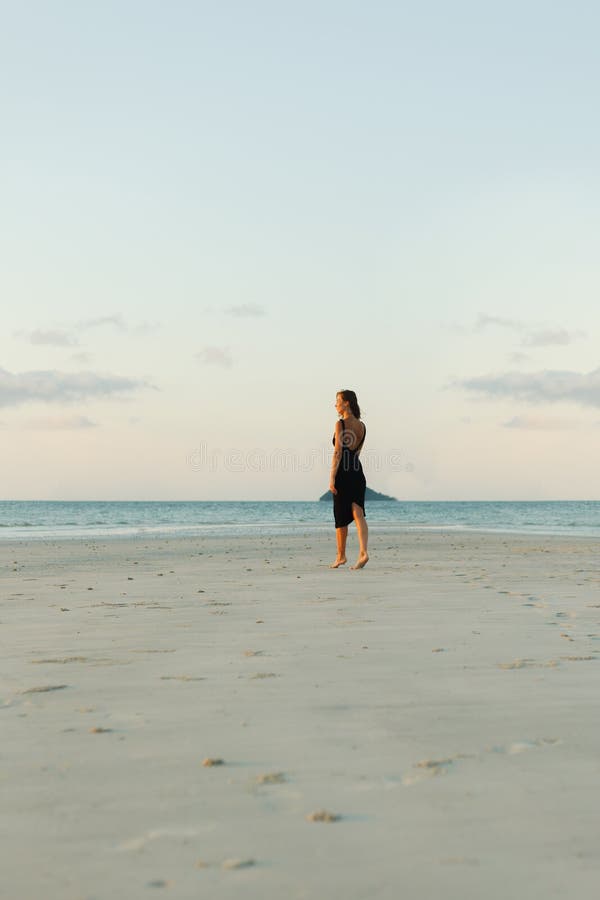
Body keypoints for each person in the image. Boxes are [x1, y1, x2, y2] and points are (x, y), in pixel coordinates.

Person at [329, 389, 369, 569]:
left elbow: (338, 452)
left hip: (343, 473)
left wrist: (332, 477)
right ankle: (363, 552)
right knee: (357, 512)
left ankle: (341, 556)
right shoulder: (362, 426)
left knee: (340, 515)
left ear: (347, 403)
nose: (335, 404)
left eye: (338, 400)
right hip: (357, 471)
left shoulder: (340, 424)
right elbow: (358, 452)